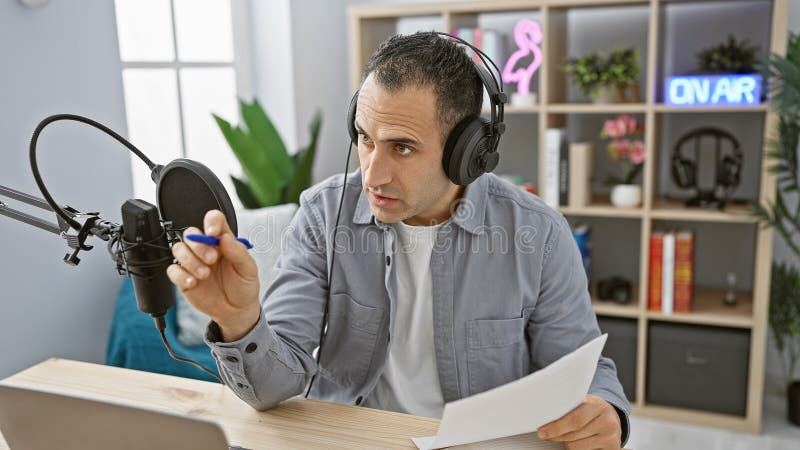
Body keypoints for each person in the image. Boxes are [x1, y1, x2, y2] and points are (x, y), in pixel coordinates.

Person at [166, 31, 631, 449]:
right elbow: (272, 390)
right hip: (350, 441)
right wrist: (238, 319)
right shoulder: (323, 216)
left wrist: (606, 411)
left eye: (402, 147)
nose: (373, 174)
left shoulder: (539, 233)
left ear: (466, 152)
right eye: (365, 138)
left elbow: (582, 370)